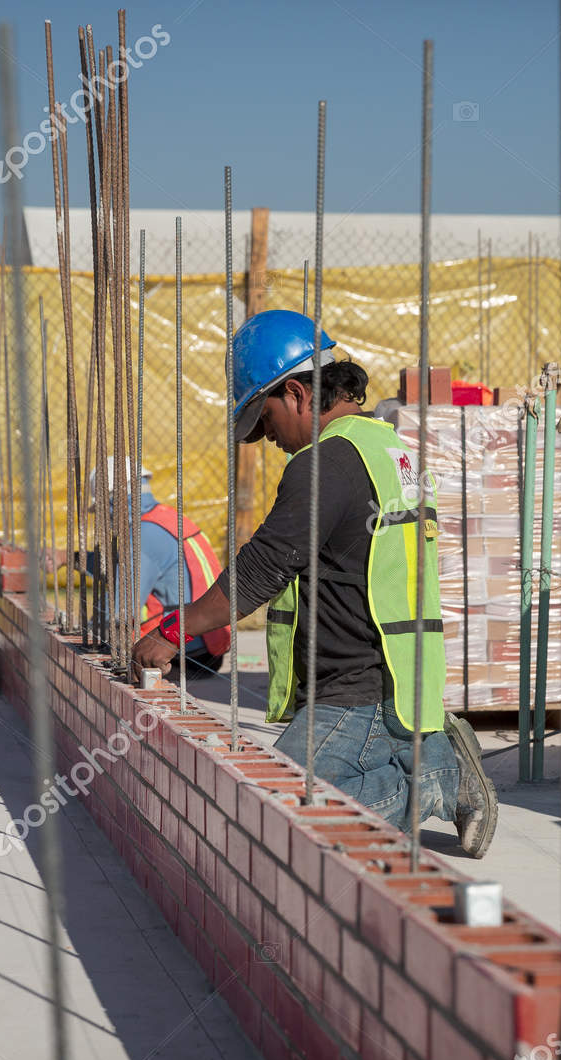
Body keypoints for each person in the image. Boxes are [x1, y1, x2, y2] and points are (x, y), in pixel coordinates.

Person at [134, 310, 497, 856]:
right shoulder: (385, 447)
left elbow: (261, 569)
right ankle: (432, 751)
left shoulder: (325, 464)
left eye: (267, 417)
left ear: (300, 394)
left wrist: (170, 629)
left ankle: (431, 781)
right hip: (390, 681)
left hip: (357, 694)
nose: (268, 438)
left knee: (269, 815)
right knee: (276, 805)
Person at [84, 457, 231, 678]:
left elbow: (119, 611)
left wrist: (83, 641)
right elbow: (116, 565)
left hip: (180, 657)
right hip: (207, 647)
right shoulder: (165, 519)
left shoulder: (142, 536)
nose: (107, 521)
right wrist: (75, 559)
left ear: (112, 501)